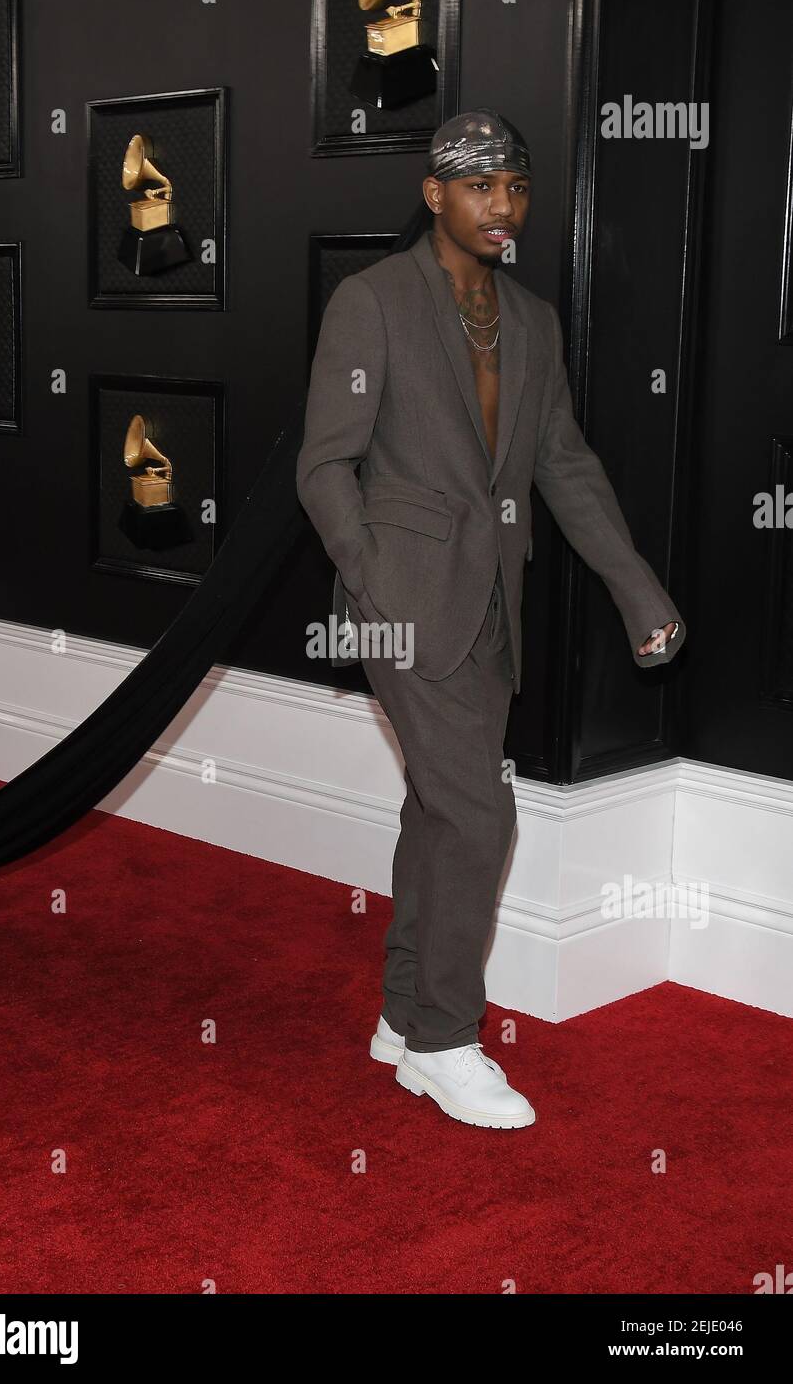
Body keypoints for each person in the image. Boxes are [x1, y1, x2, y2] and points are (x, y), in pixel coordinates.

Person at [296, 108, 685, 1130]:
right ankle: (443, 1041)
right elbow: (322, 463)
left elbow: (563, 466)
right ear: (434, 194)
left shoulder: (533, 321)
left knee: (438, 807)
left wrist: (634, 586)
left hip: (492, 603)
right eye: (480, 186)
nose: (502, 204)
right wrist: (372, 579)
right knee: (480, 811)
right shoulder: (370, 302)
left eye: (514, 185)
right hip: (397, 607)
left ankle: (398, 1014)